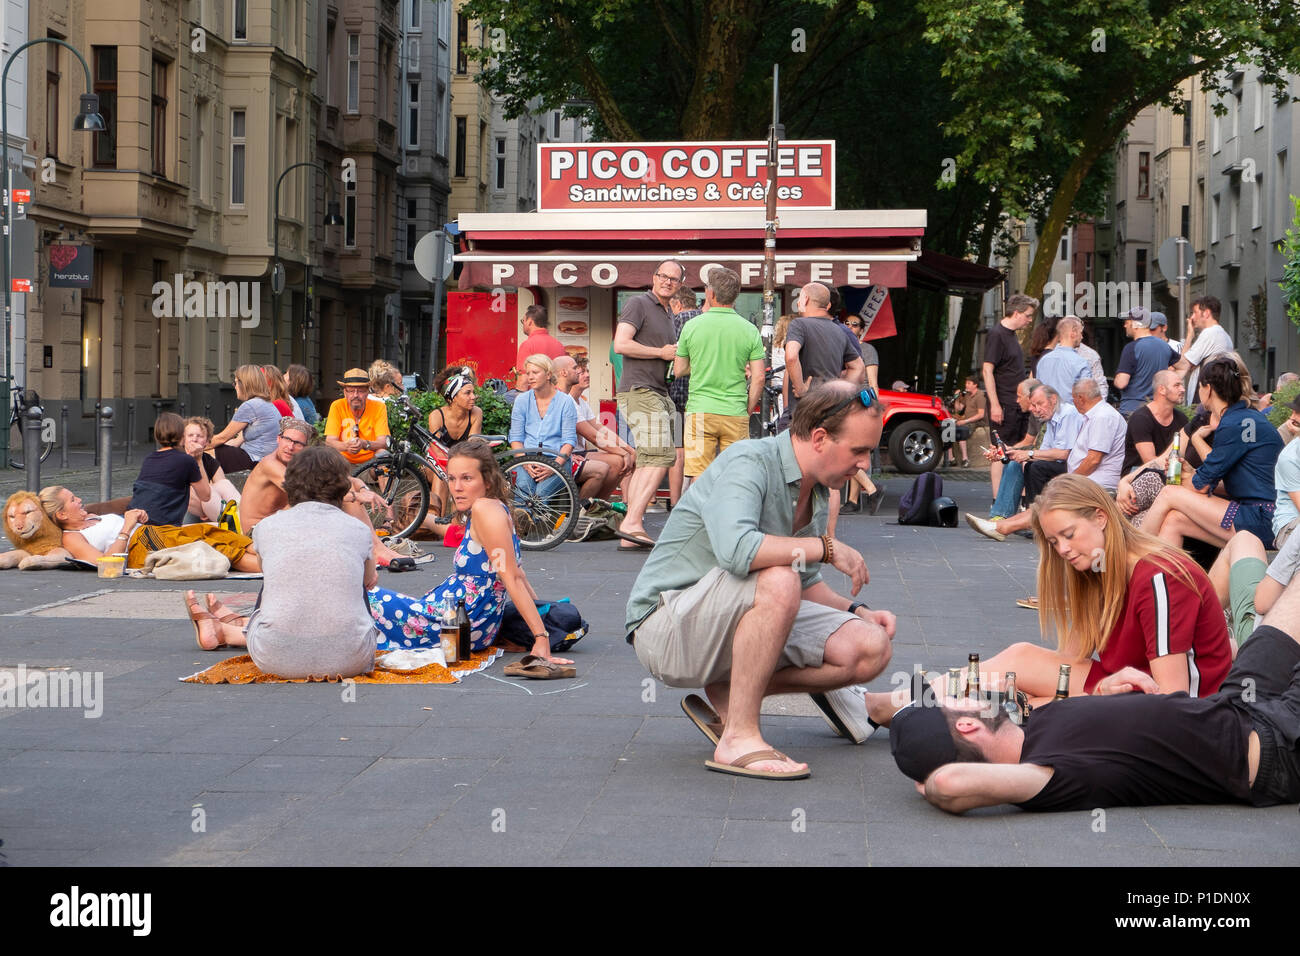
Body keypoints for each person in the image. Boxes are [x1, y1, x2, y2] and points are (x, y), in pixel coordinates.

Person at [626, 381, 899, 780]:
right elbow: (738, 551)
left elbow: (806, 584)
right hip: (664, 629)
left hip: (730, 615)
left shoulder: (818, 489)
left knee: (870, 647)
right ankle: (738, 737)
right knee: (779, 576)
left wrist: (859, 611)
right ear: (820, 438)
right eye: (859, 451)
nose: (864, 464)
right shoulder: (749, 461)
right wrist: (826, 547)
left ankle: (733, 696)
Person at [886, 574, 1300, 813]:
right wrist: (931, 785)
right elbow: (953, 781)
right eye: (957, 697)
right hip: (1277, 745)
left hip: (1236, 703)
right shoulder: (1049, 773)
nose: (973, 689)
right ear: (965, 723)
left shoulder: (1035, 723)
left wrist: (1106, 694)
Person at [366, 439, 572, 666]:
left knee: (364, 596)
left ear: (488, 481)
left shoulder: (485, 510)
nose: (456, 488)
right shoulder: (493, 507)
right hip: (462, 619)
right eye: (452, 479)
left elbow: (511, 576)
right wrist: (541, 614)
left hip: (461, 623)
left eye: (467, 478)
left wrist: (541, 638)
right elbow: (518, 573)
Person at [184, 445, 380, 674]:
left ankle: (240, 630)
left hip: (273, 658)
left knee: (273, 578)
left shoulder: (267, 527)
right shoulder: (358, 529)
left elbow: (270, 571)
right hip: (351, 660)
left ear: (291, 484)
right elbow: (368, 580)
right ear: (342, 485)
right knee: (355, 584)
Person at [1142, 355, 1283, 549]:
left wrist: (1190, 478)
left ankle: (1132, 553)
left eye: (1199, 386)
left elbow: (1200, 487)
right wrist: (1191, 474)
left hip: (1261, 518)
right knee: (1174, 520)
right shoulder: (1245, 417)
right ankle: (1160, 577)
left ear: (1207, 389)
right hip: (1264, 516)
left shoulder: (1234, 423)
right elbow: (1241, 483)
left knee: (1169, 493)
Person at [612, 259, 683, 548]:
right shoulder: (638, 303)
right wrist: (662, 352)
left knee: (650, 458)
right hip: (640, 390)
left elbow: (667, 356)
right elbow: (621, 344)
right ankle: (632, 522)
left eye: (674, 279)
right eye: (663, 276)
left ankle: (632, 527)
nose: (667, 281)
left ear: (679, 285)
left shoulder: (668, 313)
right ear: (654, 277)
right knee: (663, 453)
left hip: (658, 391)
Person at [674, 266, 765, 482]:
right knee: (734, 475)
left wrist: (701, 365)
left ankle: (705, 516)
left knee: (699, 475)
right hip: (735, 410)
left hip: (700, 410)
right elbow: (759, 377)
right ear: (735, 296)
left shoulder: (692, 326)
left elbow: (678, 370)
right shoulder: (749, 329)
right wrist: (748, 409)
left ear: (710, 293)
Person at [41, 485, 260, 572]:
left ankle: (272, 557)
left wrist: (136, 516)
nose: (79, 500)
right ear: (61, 514)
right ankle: (269, 568)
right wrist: (126, 527)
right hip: (141, 546)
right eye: (72, 500)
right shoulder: (72, 537)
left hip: (152, 533)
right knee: (211, 547)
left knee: (211, 531)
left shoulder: (89, 517)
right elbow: (105, 566)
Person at [966, 382, 1081, 541]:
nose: (1017, 400)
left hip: (1073, 464)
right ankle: (1008, 517)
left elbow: (1062, 453)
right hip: (1056, 460)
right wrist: (1011, 452)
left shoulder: (1066, 414)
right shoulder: (1047, 416)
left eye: (1039, 403)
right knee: (1023, 463)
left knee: (1034, 467)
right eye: (1034, 404)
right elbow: (1040, 447)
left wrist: (1026, 454)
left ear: (1053, 399)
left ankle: (1031, 520)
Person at [509, 353, 607, 503]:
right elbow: (516, 437)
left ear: (548, 374)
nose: (530, 377)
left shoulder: (565, 402)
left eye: (535, 372)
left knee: (541, 494)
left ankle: (532, 521)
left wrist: (554, 466)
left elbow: (569, 441)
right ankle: (526, 522)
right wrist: (525, 462)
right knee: (524, 489)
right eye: (528, 373)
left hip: (557, 459)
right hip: (527, 458)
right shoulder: (521, 400)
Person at [1115, 370, 1189, 527]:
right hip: (1139, 477)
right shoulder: (1141, 418)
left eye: (1181, 385)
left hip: (1168, 477)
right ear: (1161, 389)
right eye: (1177, 385)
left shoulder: (1181, 419)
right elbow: (1151, 462)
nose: (1182, 389)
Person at [555, 354, 632, 500]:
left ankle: (597, 506)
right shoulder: (568, 401)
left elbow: (601, 429)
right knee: (618, 461)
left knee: (620, 459)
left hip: (579, 452)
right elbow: (593, 436)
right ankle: (590, 508)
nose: (587, 375)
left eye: (587, 371)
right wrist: (624, 453)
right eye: (581, 371)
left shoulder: (581, 402)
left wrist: (628, 449)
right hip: (568, 454)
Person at [983, 294, 1037, 500]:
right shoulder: (997, 334)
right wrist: (995, 404)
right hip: (1004, 403)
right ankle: (997, 500)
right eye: (1028, 315)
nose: (1030, 320)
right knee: (999, 450)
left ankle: (1015, 496)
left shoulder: (1012, 335)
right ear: (1016, 313)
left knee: (1015, 448)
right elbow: (987, 370)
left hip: (1016, 403)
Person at [782, 282, 864, 419]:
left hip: (803, 413)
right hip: (829, 412)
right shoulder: (840, 330)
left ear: (806, 299)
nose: (798, 303)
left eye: (799, 298)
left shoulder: (799, 324)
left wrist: (801, 388)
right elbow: (858, 368)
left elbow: (791, 356)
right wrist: (837, 394)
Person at [129, 412, 213, 527]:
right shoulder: (186, 461)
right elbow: (206, 496)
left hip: (136, 524)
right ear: (181, 435)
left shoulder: (149, 458)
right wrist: (198, 460)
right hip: (162, 529)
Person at [207, 364, 283, 473]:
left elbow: (222, 438)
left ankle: (203, 488)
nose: (235, 386)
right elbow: (235, 441)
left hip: (255, 460)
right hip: (265, 459)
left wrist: (194, 445)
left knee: (205, 453)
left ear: (245, 384)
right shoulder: (265, 403)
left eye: (236, 382)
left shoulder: (250, 406)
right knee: (215, 450)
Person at [666, 284, 703, 507]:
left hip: (677, 393)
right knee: (699, 452)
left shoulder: (675, 321)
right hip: (702, 395)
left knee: (678, 452)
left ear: (677, 304)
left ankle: (675, 502)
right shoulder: (706, 321)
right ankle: (695, 503)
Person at [1113, 307, 1176, 416]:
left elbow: (1121, 383)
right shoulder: (1164, 346)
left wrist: (1116, 379)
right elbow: (1184, 366)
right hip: (1157, 409)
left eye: (1127, 322)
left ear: (1135, 324)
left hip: (1132, 410)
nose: (1125, 325)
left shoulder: (1132, 348)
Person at [325, 367, 390, 466]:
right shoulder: (337, 406)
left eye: (361, 391)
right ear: (345, 392)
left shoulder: (379, 407)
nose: (356, 395)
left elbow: (383, 442)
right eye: (351, 391)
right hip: (343, 463)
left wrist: (364, 444)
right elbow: (329, 441)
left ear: (368, 392)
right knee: (331, 456)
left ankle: (384, 482)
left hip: (370, 463)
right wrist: (346, 446)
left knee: (383, 454)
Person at [183, 417, 241, 523]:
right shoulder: (177, 458)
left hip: (207, 510)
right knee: (196, 489)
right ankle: (231, 523)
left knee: (223, 484)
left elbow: (222, 486)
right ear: (183, 439)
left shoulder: (208, 460)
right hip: (184, 511)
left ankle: (242, 516)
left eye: (200, 436)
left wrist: (199, 460)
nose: (194, 439)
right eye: (190, 435)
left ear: (207, 442)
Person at [1173, 295, 1234, 395]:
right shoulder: (1224, 335)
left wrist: (1189, 335)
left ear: (1206, 313)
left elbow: (1184, 365)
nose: (1191, 317)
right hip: (1216, 392)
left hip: (1205, 393)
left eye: (1195, 312)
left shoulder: (1210, 333)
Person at [1033, 315, 1091, 408]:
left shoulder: (1043, 360)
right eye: (1080, 333)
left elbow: (1038, 389)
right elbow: (1087, 395)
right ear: (1073, 333)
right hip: (1072, 416)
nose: (1082, 337)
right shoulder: (1080, 362)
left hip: (1048, 415)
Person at [515, 304, 567, 389]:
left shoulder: (527, 345)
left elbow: (523, 381)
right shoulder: (559, 345)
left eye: (523, 321)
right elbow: (563, 380)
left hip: (535, 399)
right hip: (556, 398)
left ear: (530, 322)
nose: (523, 324)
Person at [946, 375, 986, 469]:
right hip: (966, 419)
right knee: (947, 426)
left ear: (975, 385)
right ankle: (951, 458)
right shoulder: (968, 395)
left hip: (977, 421)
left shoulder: (980, 396)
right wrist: (956, 398)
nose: (966, 385)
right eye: (966, 383)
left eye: (969, 383)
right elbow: (959, 409)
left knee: (961, 430)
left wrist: (965, 421)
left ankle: (965, 459)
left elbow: (981, 414)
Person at [1074, 316, 1108, 399]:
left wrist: (1097, 409)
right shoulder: (1051, 354)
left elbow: (1100, 385)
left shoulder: (1090, 355)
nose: (1081, 336)